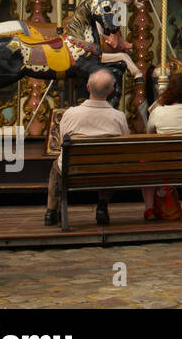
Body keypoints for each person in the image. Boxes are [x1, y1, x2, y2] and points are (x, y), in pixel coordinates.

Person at [44, 69, 129, 227]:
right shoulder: (119, 117)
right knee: (108, 163)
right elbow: (124, 144)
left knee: (56, 167)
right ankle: (102, 207)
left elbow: (62, 141)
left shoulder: (70, 114)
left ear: (88, 88)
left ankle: (51, 211)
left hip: (74, 169)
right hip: (105, 170)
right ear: (111, 91)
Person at [141, 71, 182, 221]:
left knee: (145, 164)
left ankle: (149, 208)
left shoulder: (159, 111)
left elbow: (149, 134)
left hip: (166, 163)